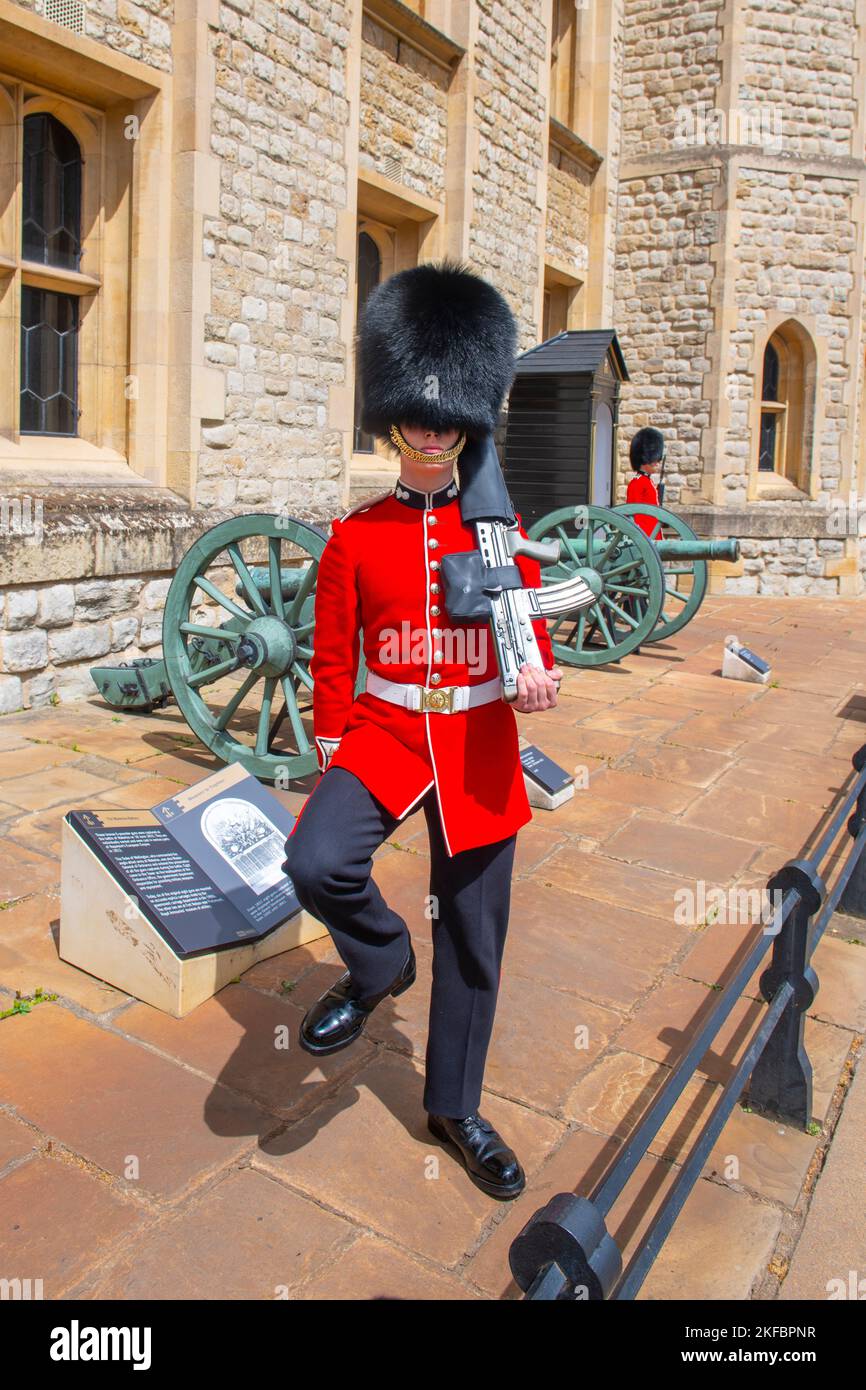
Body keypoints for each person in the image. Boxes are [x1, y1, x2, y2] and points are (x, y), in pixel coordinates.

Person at [283, 259, 562, 1200]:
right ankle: (380, 962)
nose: (435, 429)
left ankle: (454, 1104)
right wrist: (334, 753)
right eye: (420, 414)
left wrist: (535, 672)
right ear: (393, 421)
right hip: (388, 737)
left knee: (477, 940)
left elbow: (528, 627)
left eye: (450, 418)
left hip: (479, 745)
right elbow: (330, 661)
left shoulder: (497, 526)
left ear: (464, 425)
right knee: (316, 862)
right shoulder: (355, 535)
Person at [626, 426, 665, 537]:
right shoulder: (637, 482)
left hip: (653, 533)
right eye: (654, 459)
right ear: (645, 458)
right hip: (645, 535)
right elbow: (633, 512)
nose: (657, 462)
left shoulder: (648, 481)